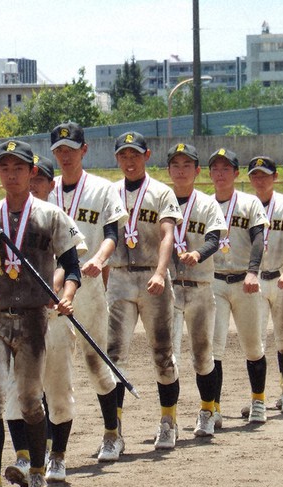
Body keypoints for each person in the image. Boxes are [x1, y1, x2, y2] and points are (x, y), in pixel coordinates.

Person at [0, 139, 84, 487]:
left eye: (19, 169)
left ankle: (38, 473)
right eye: (5, 168)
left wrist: (67, 296)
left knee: (29, 400)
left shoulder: (51, 215)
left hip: (32, 318)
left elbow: (72, 267)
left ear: (31, 173)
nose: (12, 175)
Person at [48, 123, 129, 464]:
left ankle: (113, 433)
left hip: (89, 286)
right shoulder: (45, 189)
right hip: (49, 288)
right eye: (59, 149)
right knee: (48, 367)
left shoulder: (102, 189)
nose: (65, 155)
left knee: (96, 362)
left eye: (71, 148)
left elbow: (112, 233)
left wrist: (98, 258)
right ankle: (49, 450)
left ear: (84, 150)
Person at [106, 131, 183, 451]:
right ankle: (114, 431)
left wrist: (162, 272)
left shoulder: (162, 192)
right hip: (121, 277)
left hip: (153, 277)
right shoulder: (109, 192)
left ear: (147, 155)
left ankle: (168, 421)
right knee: (113, 357)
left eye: (134, 154)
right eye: (123, 155)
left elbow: (167, 235)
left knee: (163, 355)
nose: (129, 160)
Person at [165, 143, 227, 436]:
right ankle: (169, 420)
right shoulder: (159, 200)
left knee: (204, 357)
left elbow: (214, 239)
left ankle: (207, 410)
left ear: (197, 170)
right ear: (168, 170)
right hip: (169, 288)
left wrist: (197, 253)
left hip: (200, 286)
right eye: (175, 165)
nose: (180, 170)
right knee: (169, 357)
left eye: (187, 165)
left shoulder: (206, 203)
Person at [209, 148, 269, 426]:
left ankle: (258, 401)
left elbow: (259, 238)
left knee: (253, 346)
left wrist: (253, 272)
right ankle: (214, 408)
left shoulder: (249, 203)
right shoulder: (205, 204)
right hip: (215, 281)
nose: (220, 174)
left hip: (245, 282)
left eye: (226, 169)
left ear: (235, 173)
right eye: (215, 169)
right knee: (214, 348)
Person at [249, 155, 283, 415]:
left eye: (264, 174)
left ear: (275, 177)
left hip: (280, 278)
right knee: (255, 343)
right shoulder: (245, 204)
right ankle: (257, 399)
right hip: (255, 279)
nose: (259, 179)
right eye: (255, 175)